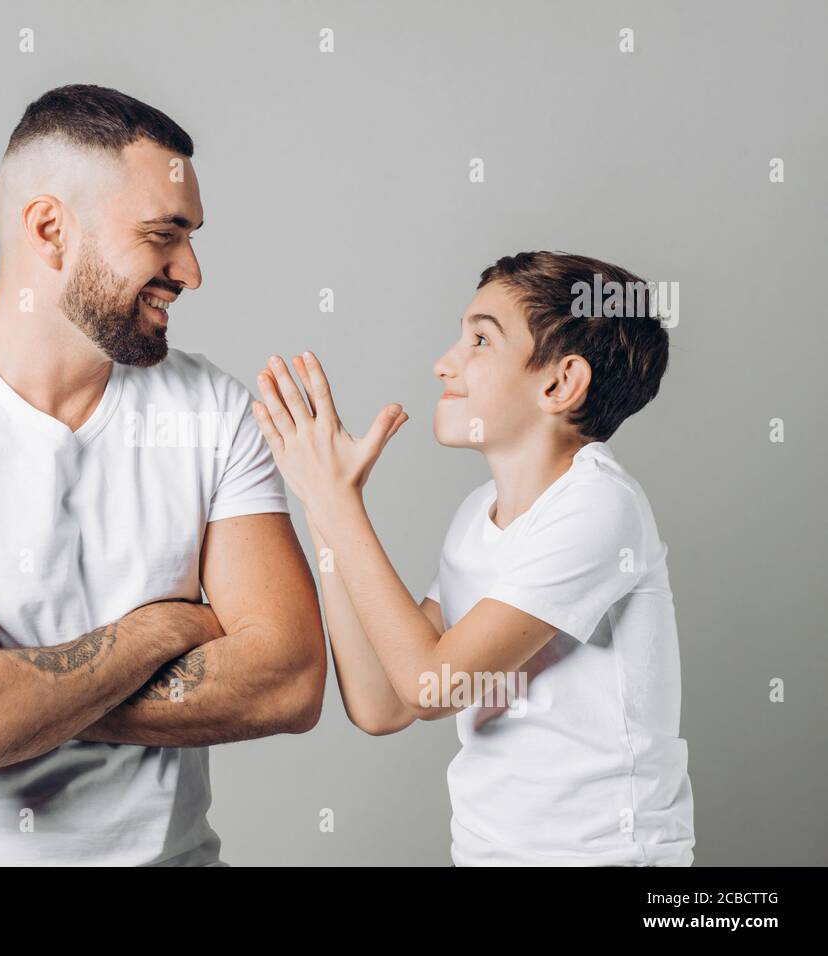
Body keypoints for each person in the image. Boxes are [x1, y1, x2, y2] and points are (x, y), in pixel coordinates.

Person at [0, 84, 326, 866]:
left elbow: (288, 681)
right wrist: (162, 627)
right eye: (163, 235)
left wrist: (9, 690)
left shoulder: (213, 411)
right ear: (50, 229)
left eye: (192, 237)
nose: (190, 270)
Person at [253, 251, 695, 865]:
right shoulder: (476, 515)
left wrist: (337, 501)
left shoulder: (600, 506)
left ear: (560, 383)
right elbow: (384, 704)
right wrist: (325, 507)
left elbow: (431, 687)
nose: (445, 364)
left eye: (481, 340)